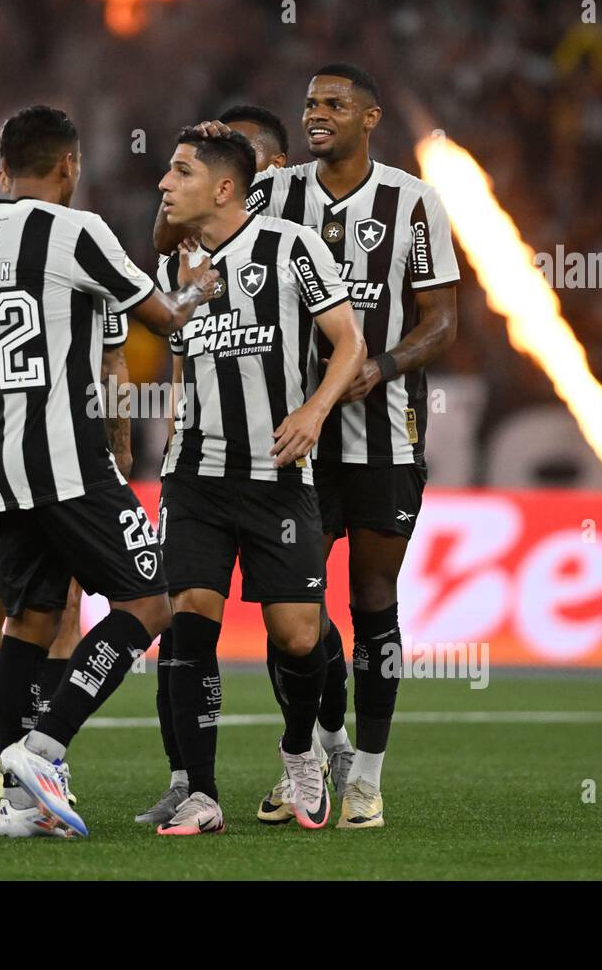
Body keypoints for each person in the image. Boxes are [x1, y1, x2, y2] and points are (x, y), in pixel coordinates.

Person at [165, 65, 460, 829]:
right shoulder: (279, 188)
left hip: (384, 430)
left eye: (335, 104)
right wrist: (209, 154)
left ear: (371, 117)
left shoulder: (411, 200)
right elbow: (180, 232)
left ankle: (367, 771)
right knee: (295, 613)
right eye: (310, 105)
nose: (317, 114)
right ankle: (315, 743)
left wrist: (383, 365)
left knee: (372, 601)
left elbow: (443, 318)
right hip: (293, 438)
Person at [0, 105, 218, 837]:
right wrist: (197, 287)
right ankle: (46, 746)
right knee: (150, 600)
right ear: (69, 166)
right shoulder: (79, 231)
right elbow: (163, 318)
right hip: (63, 456)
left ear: (6, 166)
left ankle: (17, 803)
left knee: (29, 620)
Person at [137, 104, 354, 826]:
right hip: (195, 475)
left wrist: (315, 409)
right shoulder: (181, 266)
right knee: (191, 618)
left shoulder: (292, 247)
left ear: (225, 188)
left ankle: (299, 751)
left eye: (182, 171)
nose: (165, 183)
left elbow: (347, 343)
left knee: (297, 635)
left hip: (278, 477)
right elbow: (180, 358)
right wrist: (170, 439)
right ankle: (200, 791)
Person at [0, 249, 131, 816]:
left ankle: (43, 754)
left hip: (65, 464)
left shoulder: (86, 248)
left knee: (63, 604)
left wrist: (121, 438)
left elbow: (113, 356)